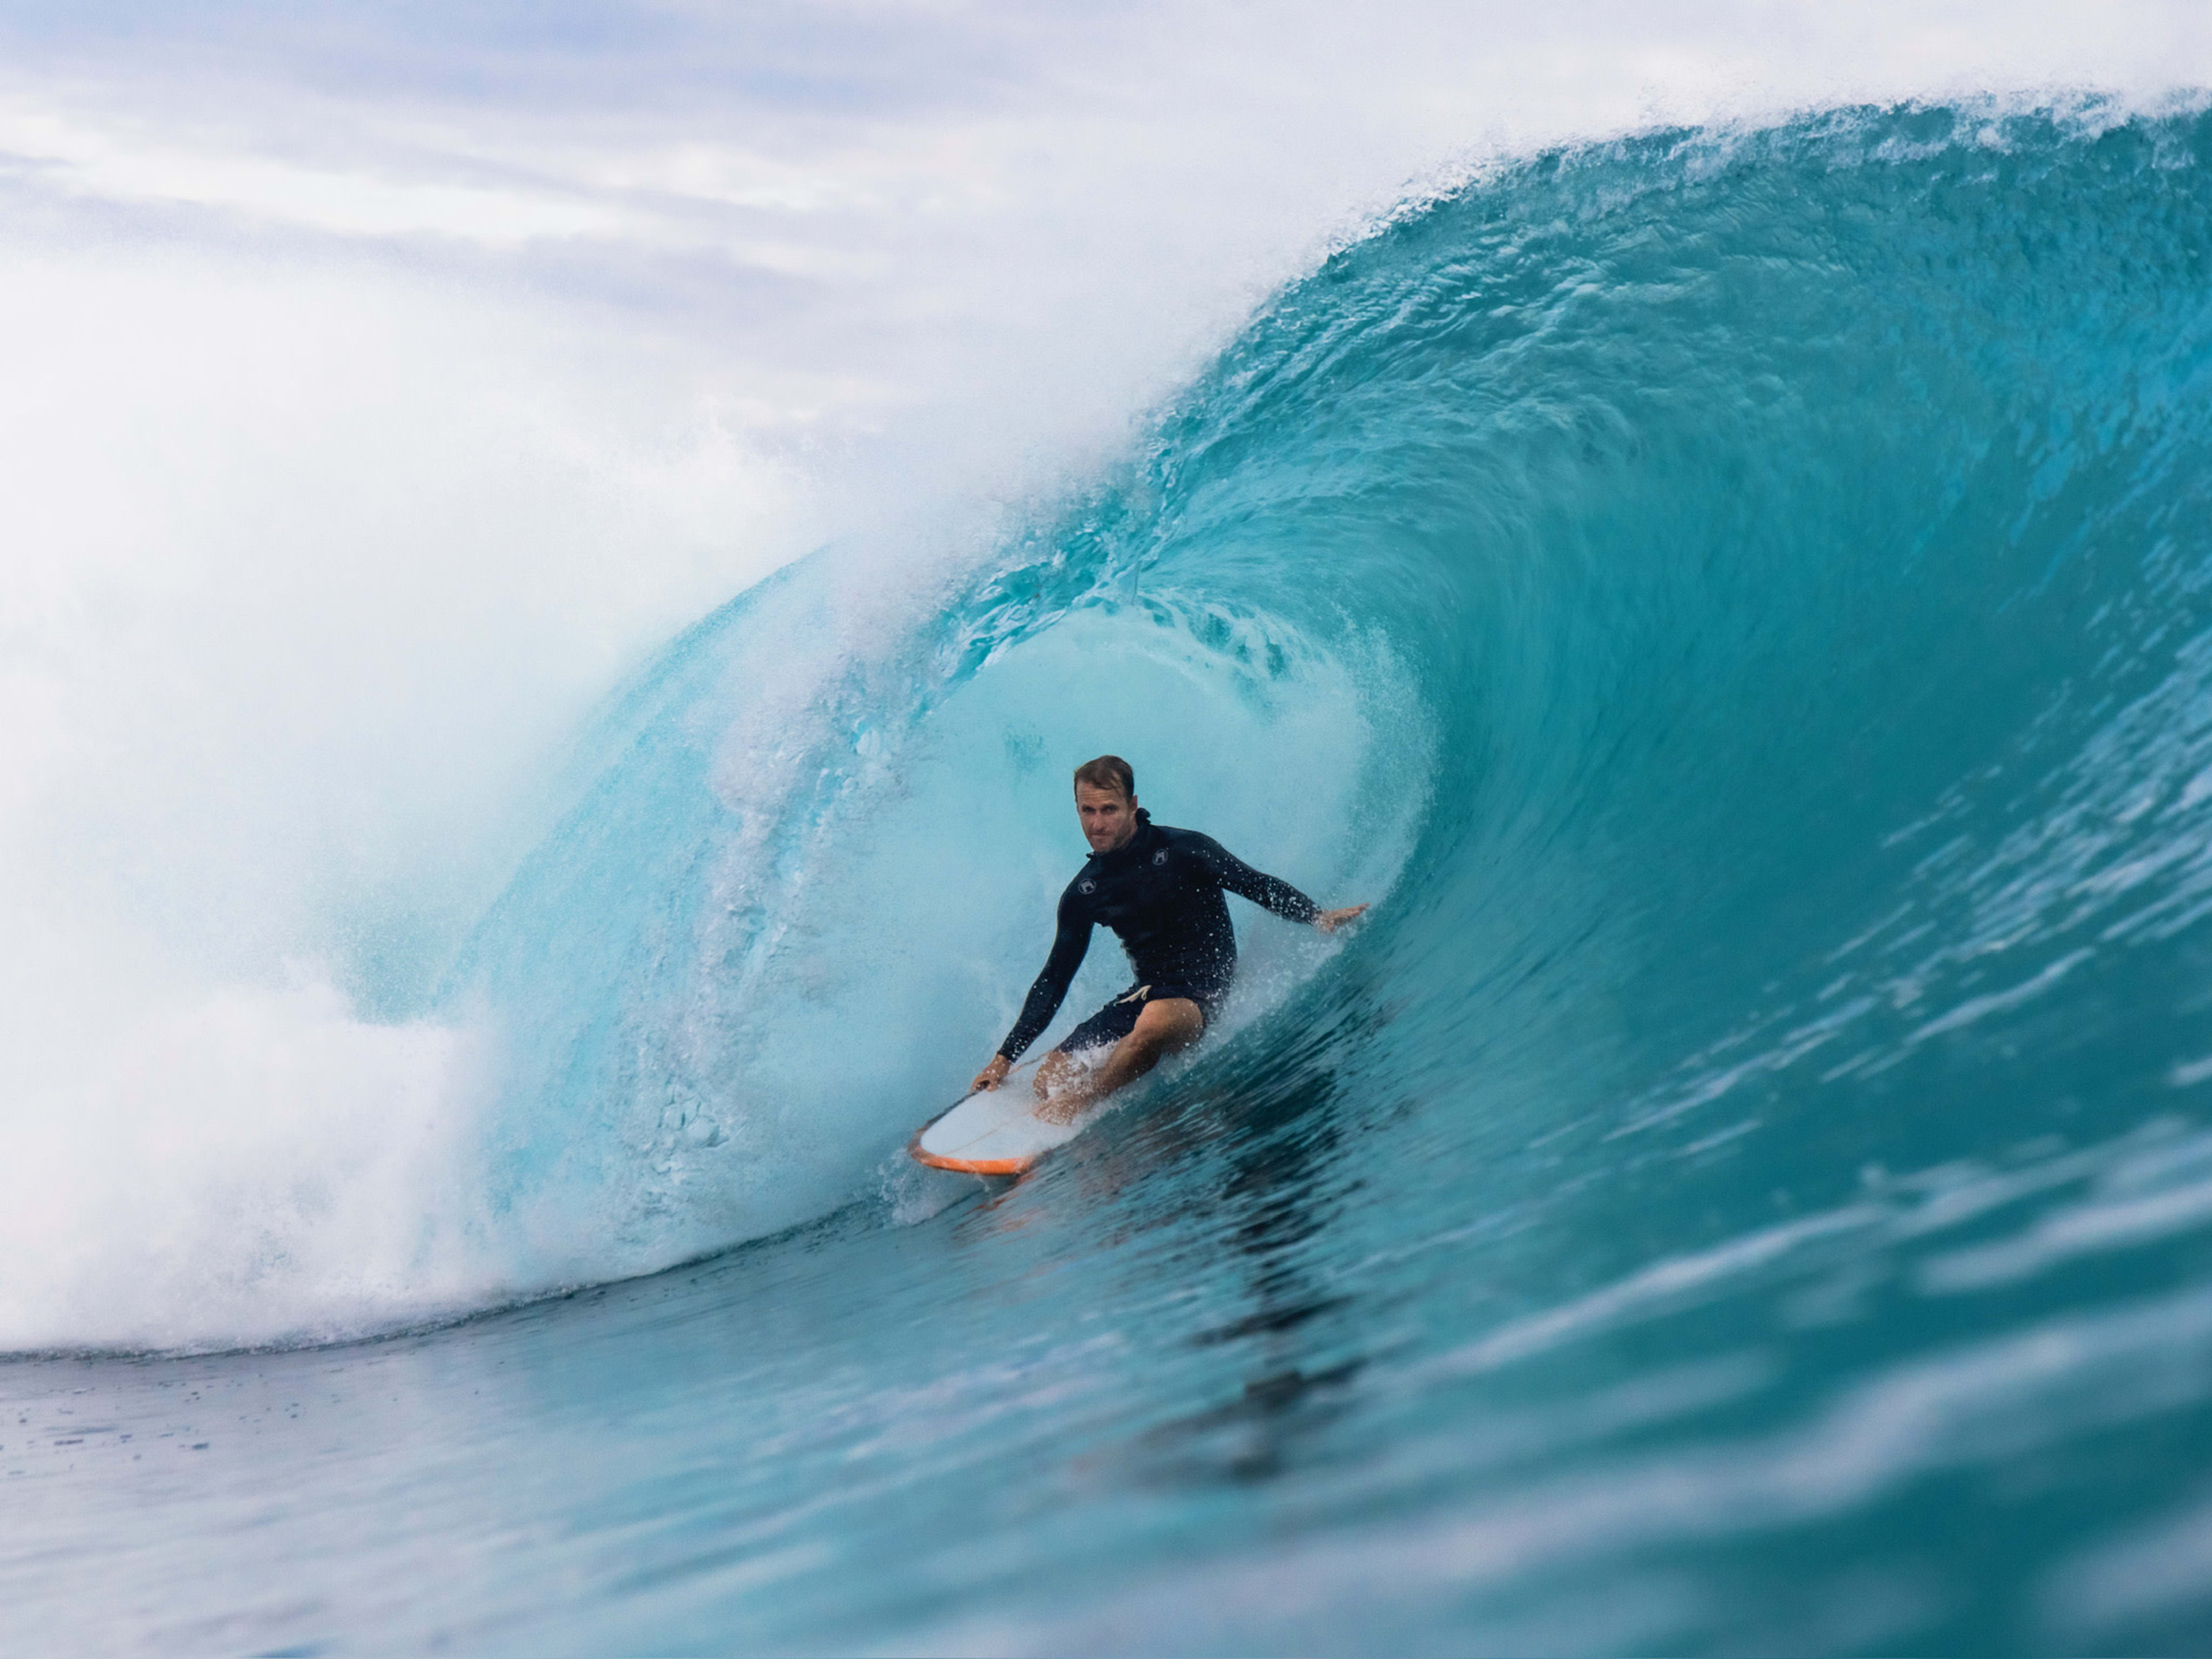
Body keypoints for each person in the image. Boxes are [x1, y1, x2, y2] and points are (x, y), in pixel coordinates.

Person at [971, 755, 1368, 1123]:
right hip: (1146, 991)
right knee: (1048, 1081)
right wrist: (1004, 1058)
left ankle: (1086, 1100)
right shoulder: (1085, 892)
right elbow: (1055, 979)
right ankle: (1109, 1078)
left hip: (1201, 989)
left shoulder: (1184, 849)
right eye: (1087, 811)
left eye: (1109, 809)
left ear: (1132, 805)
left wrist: (1316, 916)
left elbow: (1255, 884)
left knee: (1152, 1028)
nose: (1097, 824)